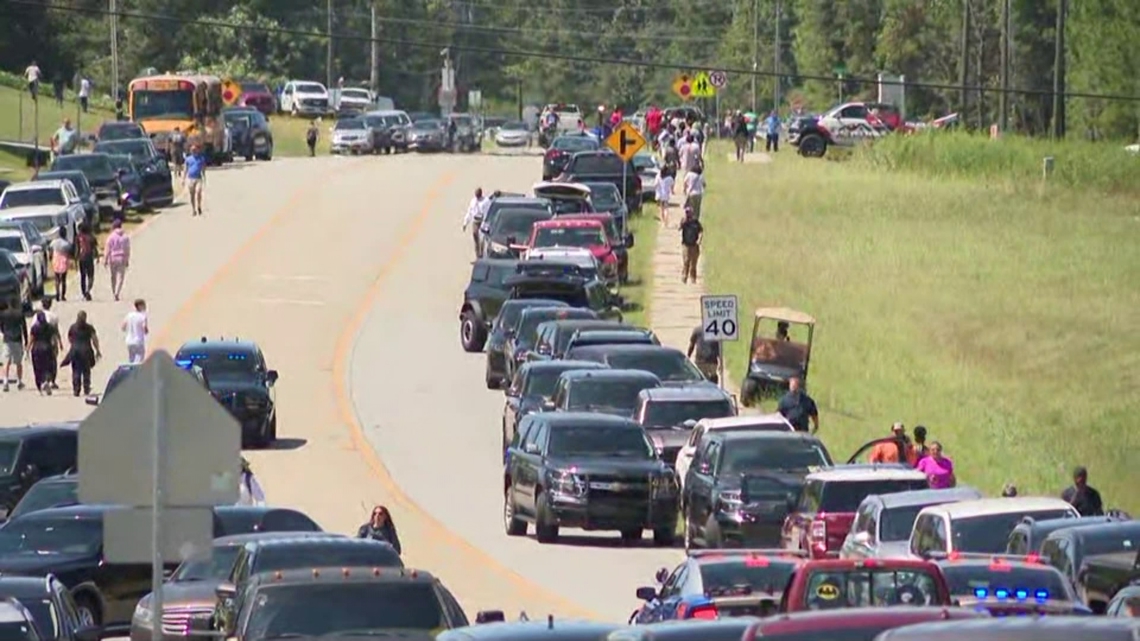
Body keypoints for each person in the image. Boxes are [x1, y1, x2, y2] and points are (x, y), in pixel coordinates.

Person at [62, 310, 100, 396]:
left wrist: (74, 345)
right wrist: (97, 350)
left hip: (75, 350)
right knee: (86, 370)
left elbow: (70, 338)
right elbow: (94, 339)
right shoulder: (89, 327)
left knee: (76, 370)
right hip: (86, 350)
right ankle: (86, 388)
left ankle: (76, 389)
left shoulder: (73, 327)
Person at [28, 311, 59, 395]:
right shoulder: (50, 327)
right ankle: (47, 380)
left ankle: (40, 385)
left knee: (37, 367)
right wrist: (56, 348)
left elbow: (31, 339)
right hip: (47, 348)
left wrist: (27, 349)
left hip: (36, 349)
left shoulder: (34, 328)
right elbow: (53, 339)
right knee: (48, 366)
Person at [34, 299, 60, 390]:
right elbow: (56, 331)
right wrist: (59, 342)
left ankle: (42, 380)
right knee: (52, 362)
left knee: (40, 363)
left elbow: (33, 331)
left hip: (38, 343)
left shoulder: (36, 316)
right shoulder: (54, 316)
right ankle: (51, 380)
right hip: (50, 342)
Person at [1, 309, 28, 392]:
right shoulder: (19, 313)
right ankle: (19, 381)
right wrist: (26, 339)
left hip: (7, 338)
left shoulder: (3, 314)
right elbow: (24, 327)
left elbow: (1, 326)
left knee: (6, 361)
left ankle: (5, 381)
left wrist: (5, 332)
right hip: (17, 338)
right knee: (18, 362)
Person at [103, 220, 130, 301]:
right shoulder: (125, 237)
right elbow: (127, 249)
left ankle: (113, 290)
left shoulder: (111, 237)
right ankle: (117, 292)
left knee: (113, 276)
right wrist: (127, 259)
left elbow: (108, 249)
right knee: (121, 277)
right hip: (122, 258)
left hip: (113, 258)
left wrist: (105, 259)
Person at [679, 206, 702, 284]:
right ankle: (684, 276)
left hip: (694, 245)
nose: (688, 214)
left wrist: (699, 239)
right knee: (686, 261)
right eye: (687, 213)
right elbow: (680, 227)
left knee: (693, 263)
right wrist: (684, 220)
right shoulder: (684, 221)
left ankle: (693, 278)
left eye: (689, 213)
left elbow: (701, 231)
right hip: (686, 245)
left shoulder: (696, 222)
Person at [74, 223, 98, 300]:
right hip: (89, 258)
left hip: (81, 258)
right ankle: (88, 290)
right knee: (91, 276)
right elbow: (94, 248)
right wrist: (97, 257)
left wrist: (76, 259)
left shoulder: (78, 237)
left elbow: (77, 249)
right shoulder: (91, 237)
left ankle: (84, 292)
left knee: (83, 276)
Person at [48, 225, 72, 301]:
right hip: (64, 260)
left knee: (57, 278)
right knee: (63, 279)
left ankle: (57, 293)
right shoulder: (66, 243)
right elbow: (69, 252)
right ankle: (63, 295)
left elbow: (50, 250)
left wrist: (50, 257)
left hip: (56, 259)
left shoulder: (54, 242)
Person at [122, 298, 148, 364]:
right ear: (140, 306)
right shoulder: (142, 316)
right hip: (138, 341)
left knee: (131, 359)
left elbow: (123, 327)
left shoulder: (129, 315)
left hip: (129, 341)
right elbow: (145, 329)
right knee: (139, 360)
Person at [184, 143, 207, 216]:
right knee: (192, 194)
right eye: (192, 150)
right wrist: (183, 178)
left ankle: (199, 206)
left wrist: (204, 176)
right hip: (191, 178)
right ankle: (193, 209)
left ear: (197, 150)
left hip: (198, 178)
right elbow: (185, 169)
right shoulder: (188, 159)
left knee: (198, 191)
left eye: (195, 149)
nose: (193, 151)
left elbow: (203, 168)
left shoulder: (201, 159)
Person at [462, 188, 486, 253]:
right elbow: (469, 212)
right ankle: (477, 254)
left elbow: (487, 212)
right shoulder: (473, 201)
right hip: (475, 221)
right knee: (475, 235)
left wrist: (486, 223)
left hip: (482, 221)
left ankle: (482, 253)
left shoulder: (485, 201)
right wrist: (465, 223)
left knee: (482, 239)